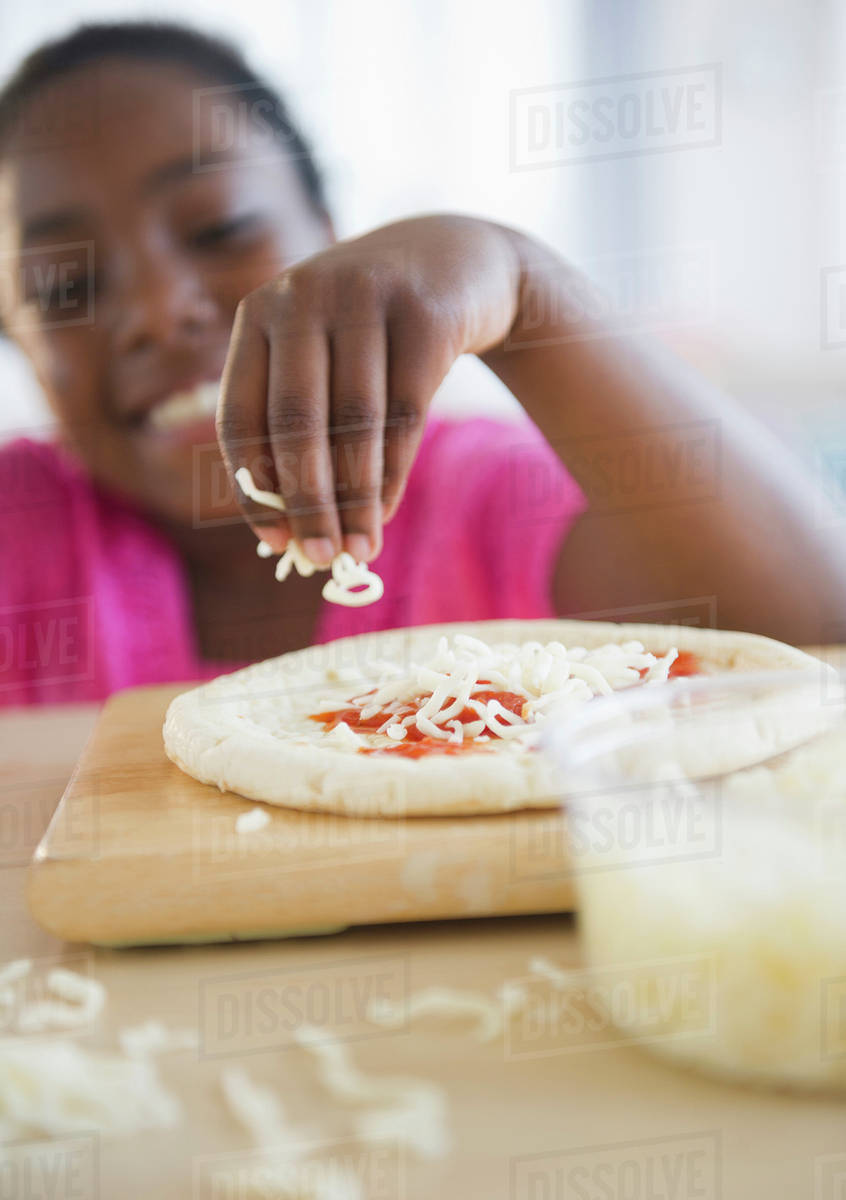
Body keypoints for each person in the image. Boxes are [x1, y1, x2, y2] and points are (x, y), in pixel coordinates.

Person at [0, 22, 843, 707]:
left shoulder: (489, 498)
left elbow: (816, 633)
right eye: (66, 284)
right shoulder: (22, 528)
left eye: (220, 229)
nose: (155, 311)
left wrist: (526, 285)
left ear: (328, 237)